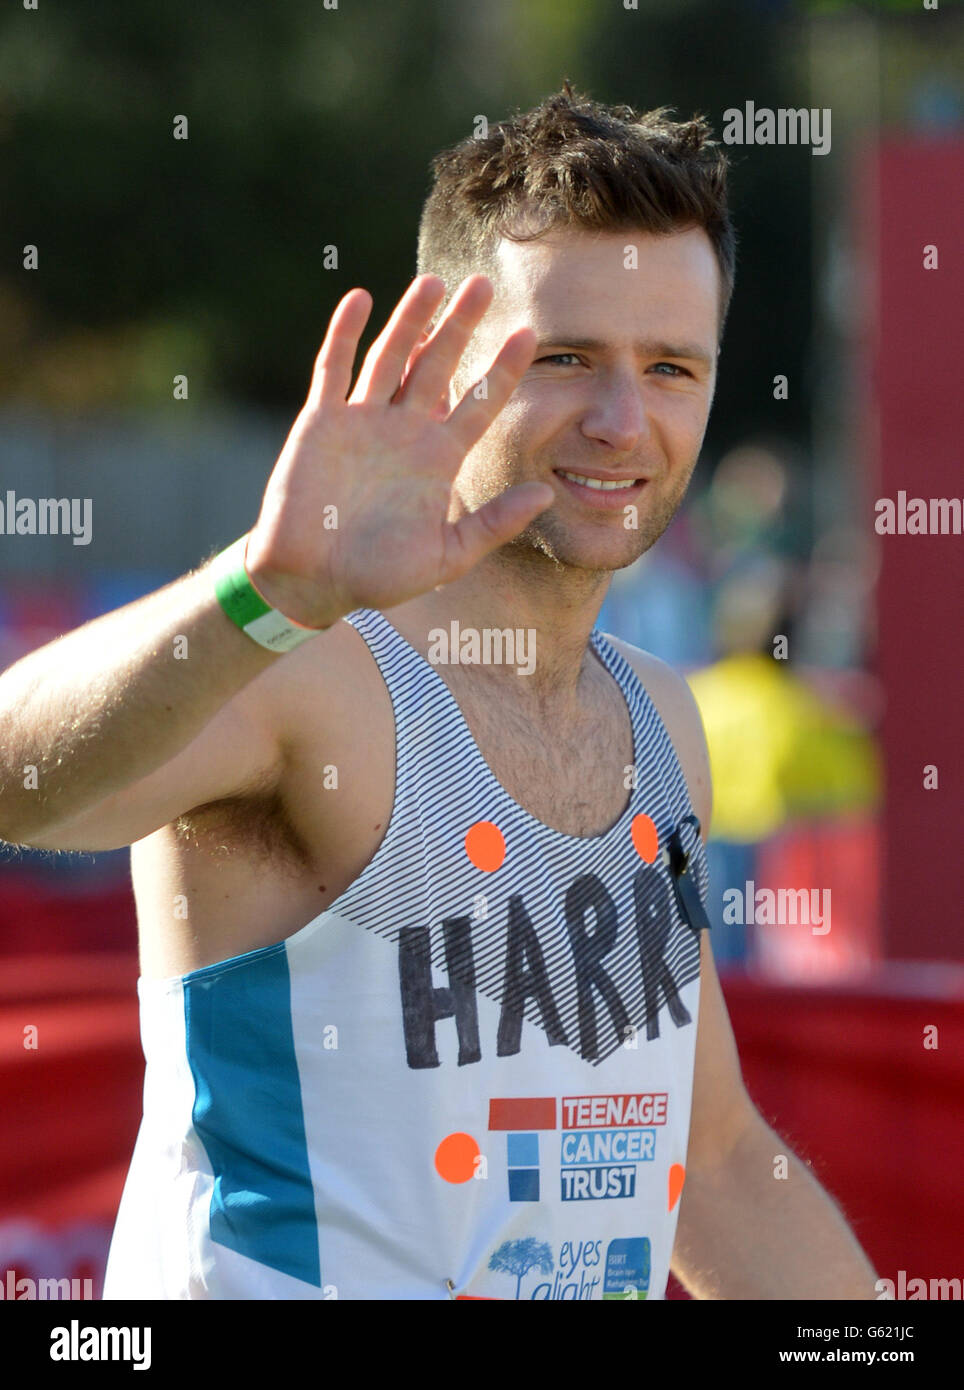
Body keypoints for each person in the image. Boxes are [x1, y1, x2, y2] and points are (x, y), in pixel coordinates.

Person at [0, 83, 878, 1300]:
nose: (624, 420)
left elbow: (713, 1158)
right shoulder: (316, 668)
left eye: (672, 367)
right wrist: (261, 593)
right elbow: (17, 786)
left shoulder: (660, 717)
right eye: (564, 357)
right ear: (455, 363)